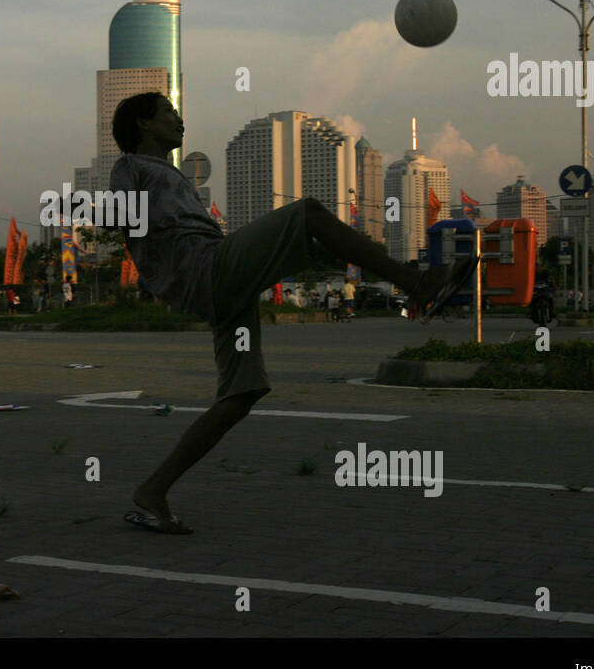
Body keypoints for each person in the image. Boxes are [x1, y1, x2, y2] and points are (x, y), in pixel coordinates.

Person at [109, 91, 476, 532]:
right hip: (204, 269)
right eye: (167, 112)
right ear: (144, 125)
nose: (178, 117)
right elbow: (121, 220)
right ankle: (416, 284)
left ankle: (153, 491)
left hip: (216, 274)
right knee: (309, 213)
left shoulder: (168, 172)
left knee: (242, 393)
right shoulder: (129, 167)